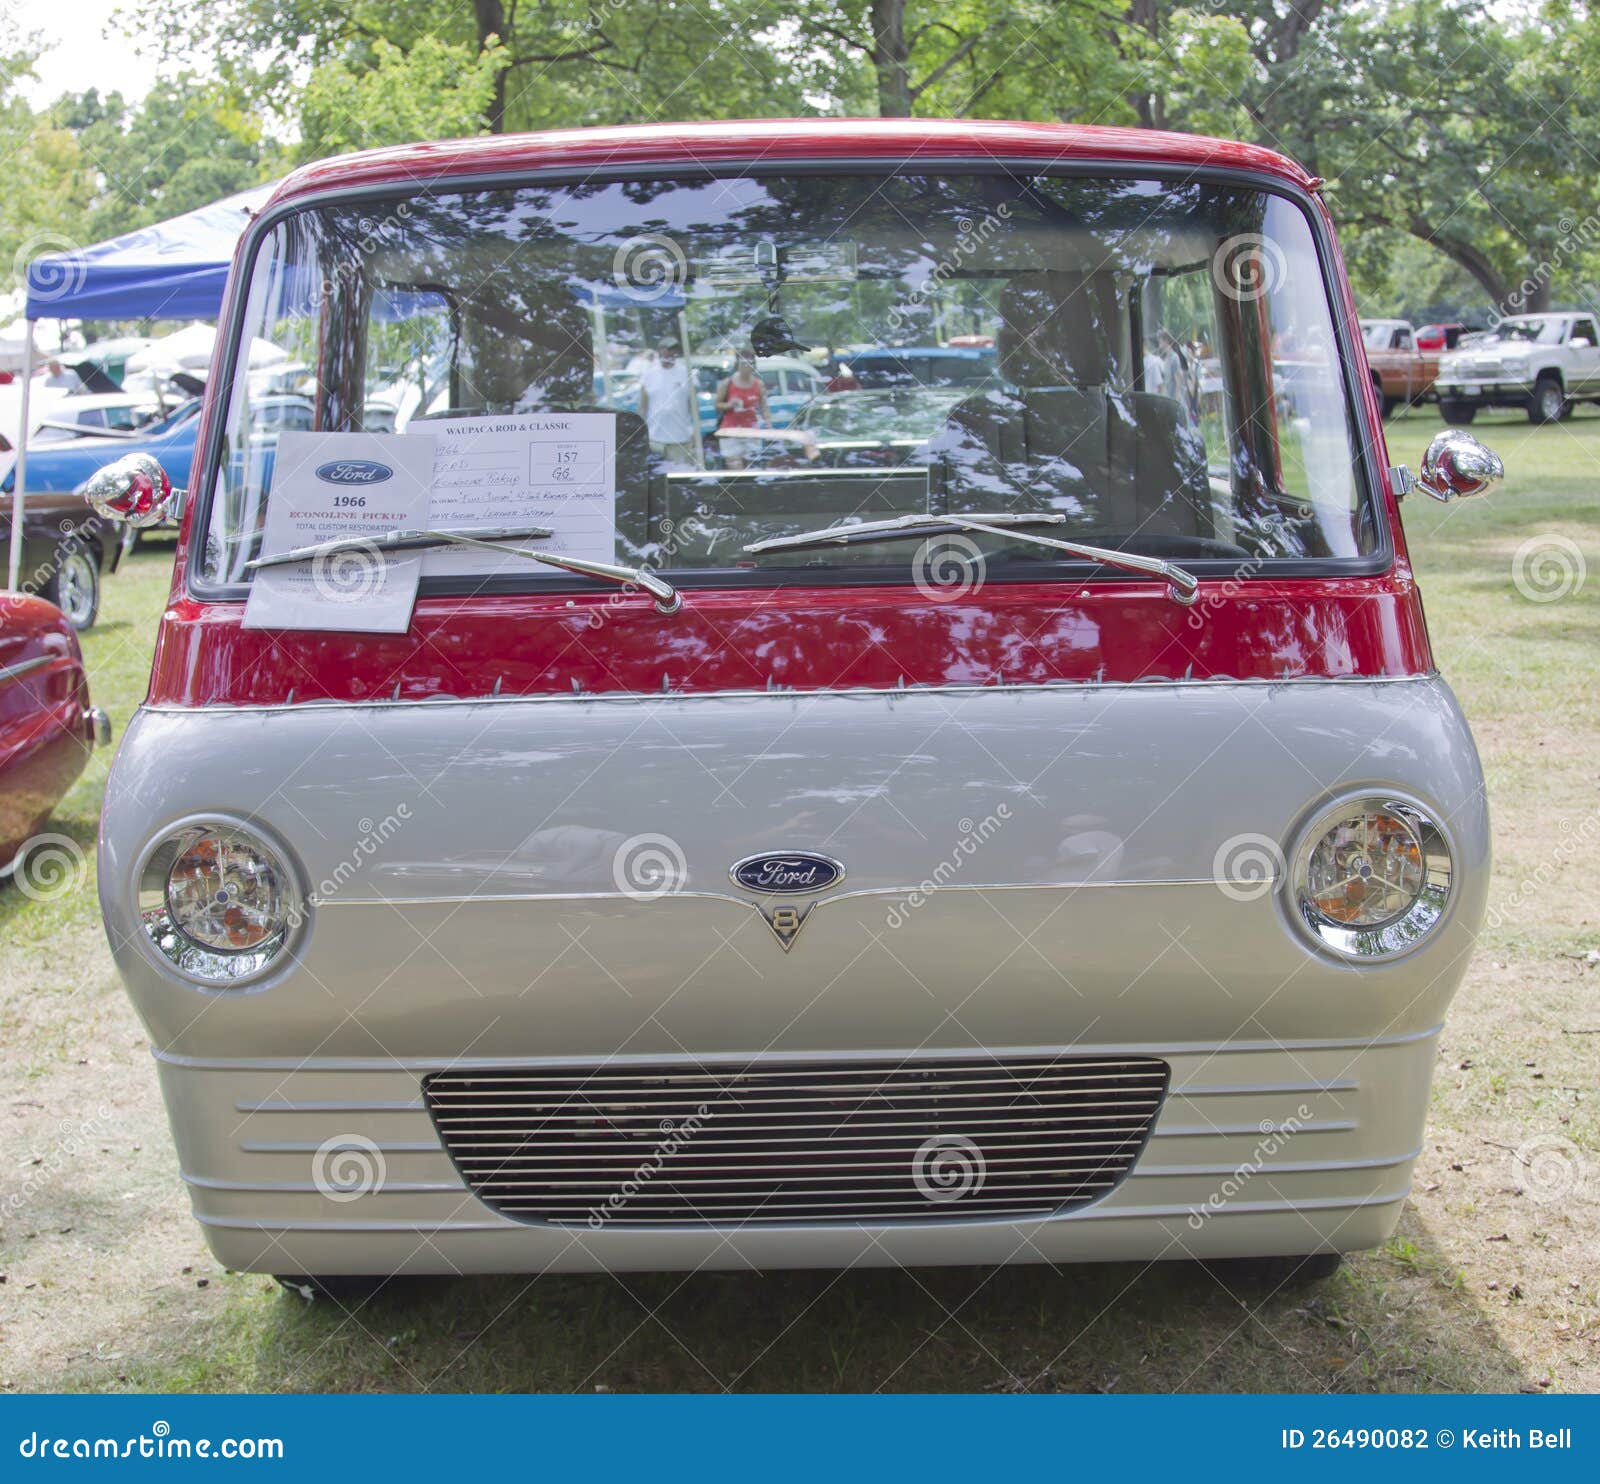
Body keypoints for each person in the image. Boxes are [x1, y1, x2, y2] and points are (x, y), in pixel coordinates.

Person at [637, 340, 697, 467]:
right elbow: (643, 407)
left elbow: (693, 406)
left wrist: (695, 433)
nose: (668, 353)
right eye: (665, 349)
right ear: (659, 351)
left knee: (680, 479)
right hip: (655, 440)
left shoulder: (686, 373)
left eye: (672, 350)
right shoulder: (649, 374)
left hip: (681, 439)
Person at [713, 347, 768, 469]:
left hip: (751, 431)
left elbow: (764, 407)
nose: (747, 366)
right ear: (738, 364)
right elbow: (717, 404)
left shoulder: (758, 384)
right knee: (735, 469)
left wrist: (768, 424)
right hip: (731, 432)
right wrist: (729, 405)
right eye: (744, 363)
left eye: (750, 363)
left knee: (753, 469)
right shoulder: (728, 383)